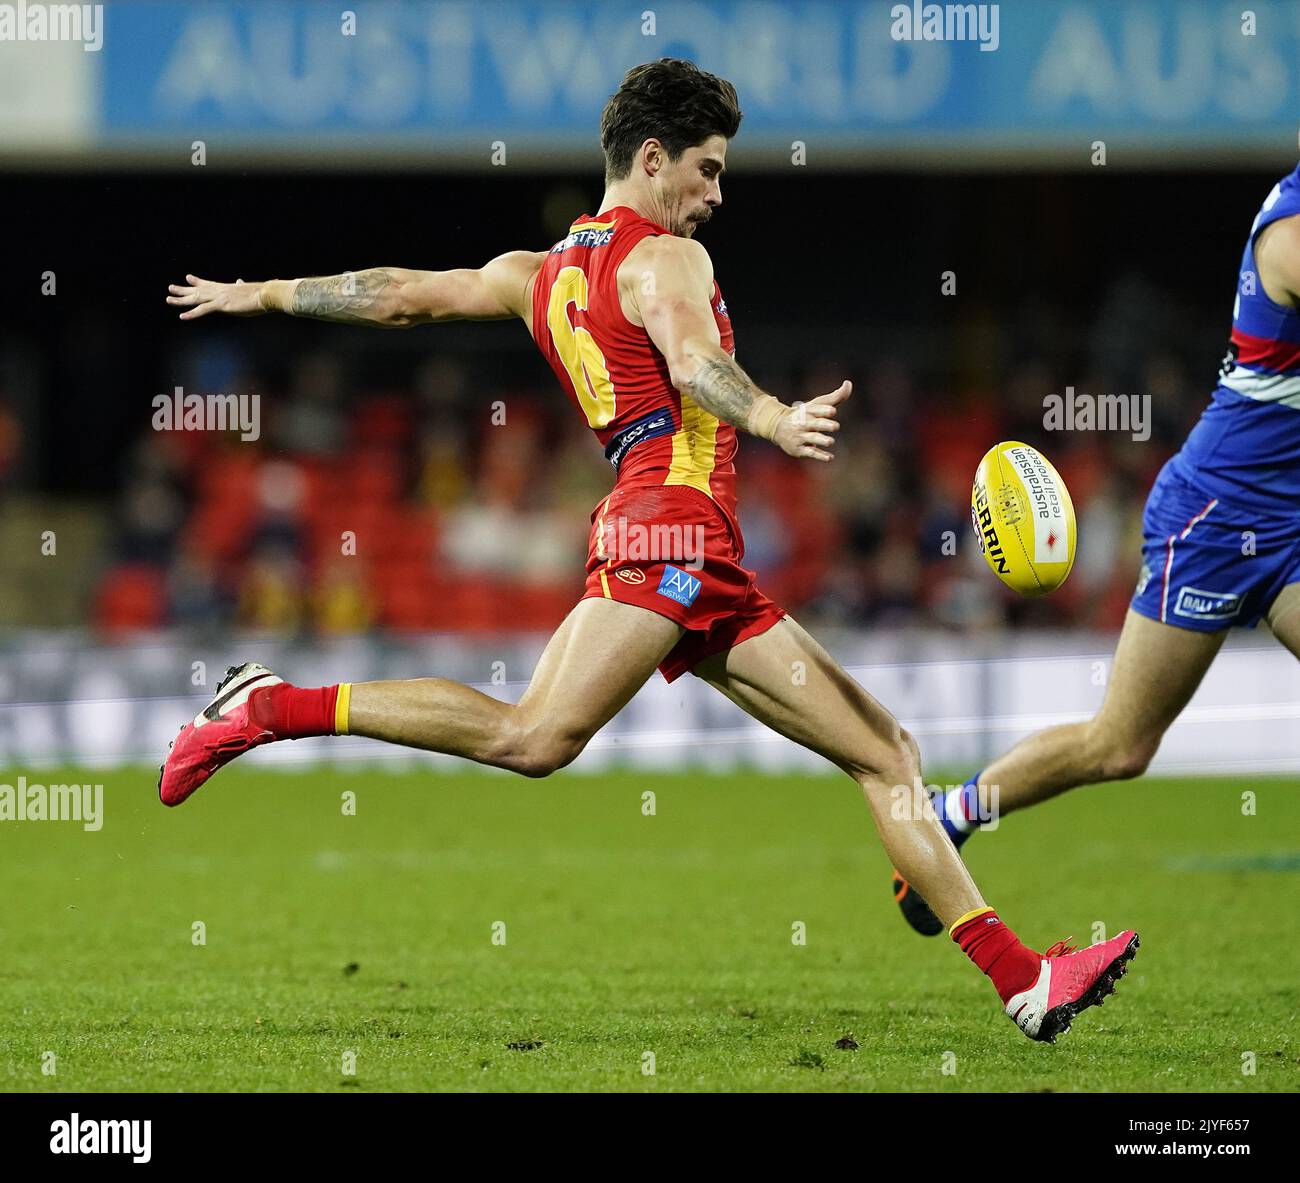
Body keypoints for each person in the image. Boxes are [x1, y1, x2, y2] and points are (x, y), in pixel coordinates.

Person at [162, 58, 1136, 1042]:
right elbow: (690, 360)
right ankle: (268, 705)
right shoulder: (665, 259)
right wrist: (769, 414)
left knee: (886, 751)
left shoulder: (534, 273)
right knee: (532, 737)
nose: (716, 194)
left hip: (685, 548)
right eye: (706, 170)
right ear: (653, 157)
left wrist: (270, 291)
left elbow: (401, 294)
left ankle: (1024, 980)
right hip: (670, 529)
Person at [894, 162, 1300, 936]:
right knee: (1121, 745)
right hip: (1214, 521)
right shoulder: (1290, 228)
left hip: (1291, 525)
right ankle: (953, 811)